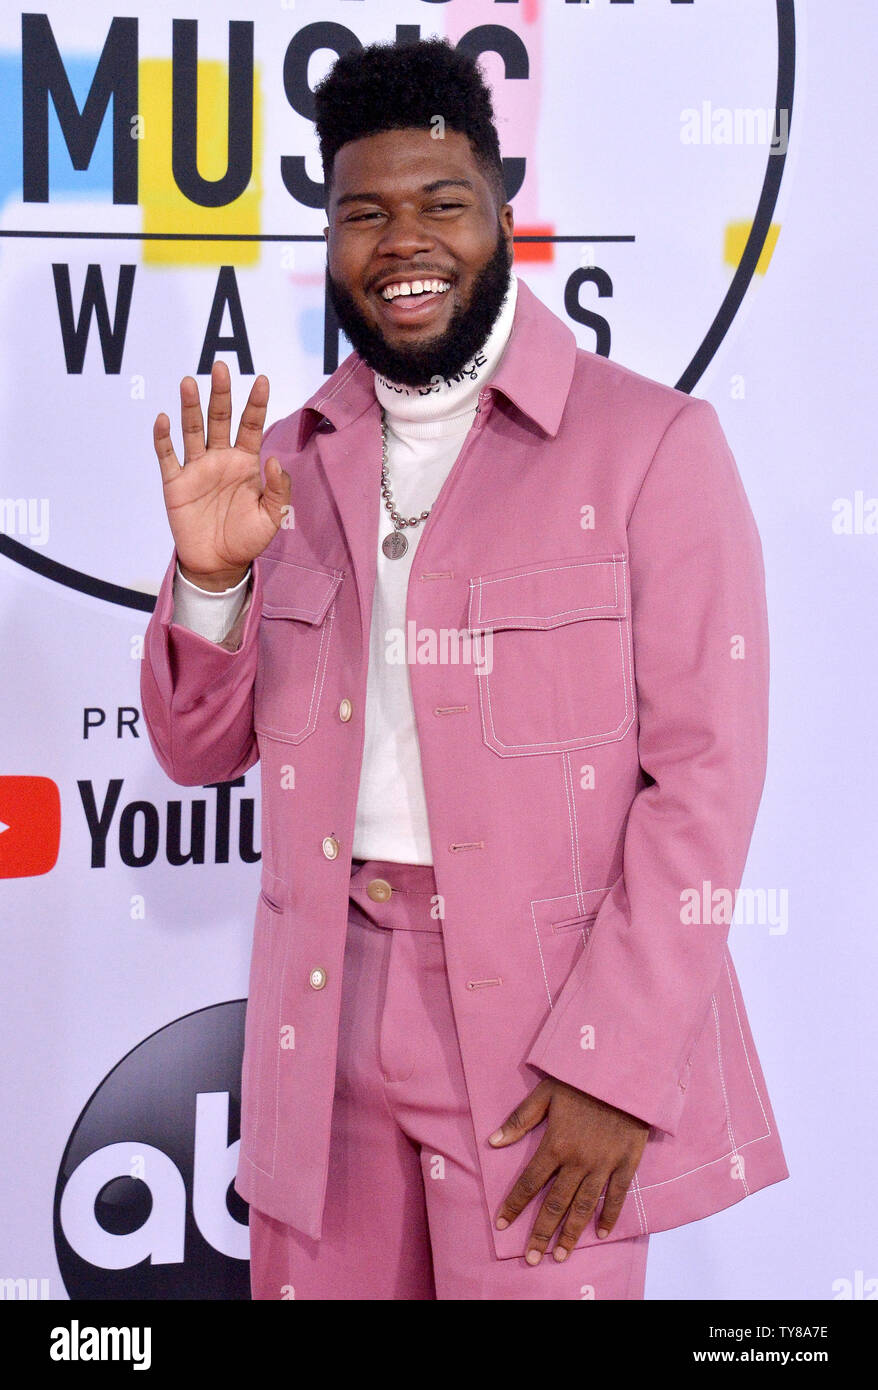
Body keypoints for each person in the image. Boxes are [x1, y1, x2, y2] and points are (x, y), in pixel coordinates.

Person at [141, 37, 788, 1301]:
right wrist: (212, 582)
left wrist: (615, 1063)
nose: (403, 243)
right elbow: (195, 750)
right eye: (361, 213)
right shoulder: (283, 460)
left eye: (442, 203)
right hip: (318, 1024)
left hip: (550, 1036)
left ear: (502, 214)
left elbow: (704, 785)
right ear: (326, 240)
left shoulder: (650, 446)